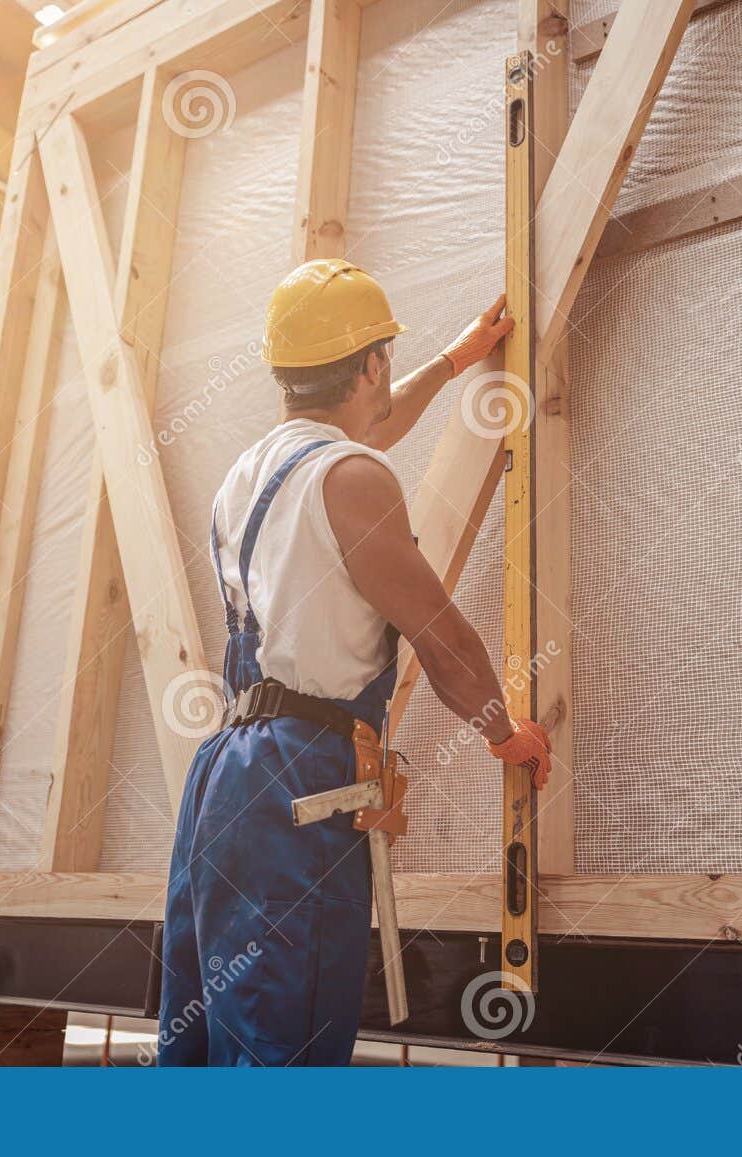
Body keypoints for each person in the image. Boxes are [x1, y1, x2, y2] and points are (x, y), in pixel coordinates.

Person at [157, 258, 553, 1066]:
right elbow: (440, 638)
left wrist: (453, 359)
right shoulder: (355, 479)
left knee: (201, 1046)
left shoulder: (254, 471)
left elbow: (369, 428)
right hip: (302, 785)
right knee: (286, 1049)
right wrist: (505, 733)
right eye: (385, 364)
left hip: (224, 779)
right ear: (371, 364)